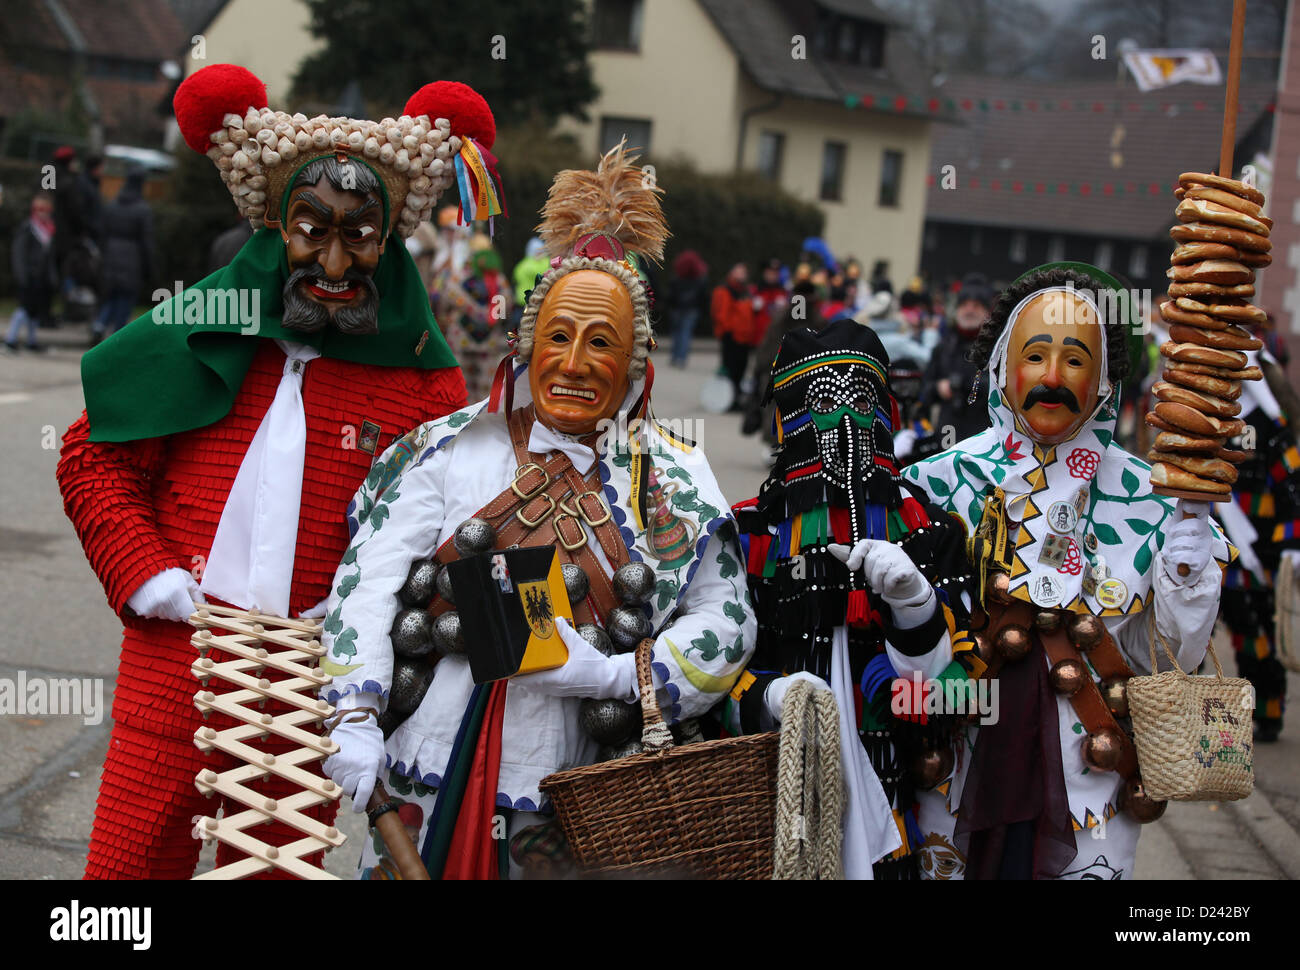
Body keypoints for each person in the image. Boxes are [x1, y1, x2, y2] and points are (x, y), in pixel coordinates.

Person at [55, 64, 497, 879]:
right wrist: (145, 572)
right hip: (173, 663)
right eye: (311, 228)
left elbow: (447, 525)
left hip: (308, 687)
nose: (334, 260)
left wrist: (375, 620)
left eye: (360, 235)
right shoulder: (201, 327)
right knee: (125, 878)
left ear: (387, 238)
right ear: (273, 226)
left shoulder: (421, 378)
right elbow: (92, 459)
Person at [319, 142, 754, 878]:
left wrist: (618, 680)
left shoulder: (675, 475)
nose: (575, 363)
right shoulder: (452, 450)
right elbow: (368, 581)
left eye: (601, 343)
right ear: (523, 343)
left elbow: (730, 621)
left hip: (585, 784)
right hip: (434, 757)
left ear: (636, 364)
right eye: (558, 336)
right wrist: (354, 715)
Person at [904, 263, 1233, 880]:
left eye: (1076, 360)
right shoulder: (933, 485)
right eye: (1035, 356)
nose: (1052, 379)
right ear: (1003, 367)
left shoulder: (1151, 501)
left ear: (1103, 381)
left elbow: (1167, 661)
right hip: (955, 776)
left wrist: (1187, 576)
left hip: (1091, 788)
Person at [730, 319, 982, 878]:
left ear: (886, 412)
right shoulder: (749, 533)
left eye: (862, 400)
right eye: (823, 401)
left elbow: (950, 703)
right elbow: (718, 677)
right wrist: (769, 697)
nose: (846, 423)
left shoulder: (931, 530)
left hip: (898, 791)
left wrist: (916, 607)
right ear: (790, 416)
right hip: (770, 794)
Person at [1215, 347, 1299, 743]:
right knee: (1192, 631)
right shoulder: (1205, 415)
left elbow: (1292, 485)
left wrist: (1291, 543)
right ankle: (1182, 713)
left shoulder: (1270, 425)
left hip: (1259, 547)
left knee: (1258, 631)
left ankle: (1267, 712)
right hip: (1210, 542)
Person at [923, 272, 993, 445]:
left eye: (976, 306)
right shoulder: (943, 347)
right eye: (964, 305)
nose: (969, 310)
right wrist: (937, 388)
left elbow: (1000, 389)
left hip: (982, 440)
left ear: (986, 311)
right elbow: (923, 391)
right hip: (946, 439)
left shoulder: (997, 349)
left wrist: (963, 383)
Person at [92, 168, 154, 345]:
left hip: (110, 257)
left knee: (110, 296)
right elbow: (147, 242)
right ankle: (117, 338)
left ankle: (99, 324)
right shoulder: (143, 210)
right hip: (131, 259)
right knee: (125, 300)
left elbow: (102, 235)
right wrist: (149, 268)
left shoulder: (112, 206)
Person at [6, 193, 58, 353]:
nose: (43, 212)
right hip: (28, 277)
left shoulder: (48, 229)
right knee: (24, 308)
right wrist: (22, 275)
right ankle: (10, 339)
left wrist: (52, 277)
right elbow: (19, 254)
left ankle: (31, 340)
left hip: (40, 279)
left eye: (46, 209)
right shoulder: (28, 228)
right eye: (39, 208)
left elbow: (50, 258)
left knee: (35, 311)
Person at [711, 261, 756, 409]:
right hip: (731, 337)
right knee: (730, 370)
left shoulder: (746, 291)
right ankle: (729, 399)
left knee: (741, 370)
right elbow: (721, 314)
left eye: (743, 271)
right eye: (738, 271)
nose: (741, 274)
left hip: (745, 338)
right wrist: (726, 332)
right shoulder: (724, 290)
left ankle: (735, 398)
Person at [666, 248, 708, 367]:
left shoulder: (676, 278)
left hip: (677, 308)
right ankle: (681, 358)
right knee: (686, 333)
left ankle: (675, 356)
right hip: (691, 309)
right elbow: (703, 296)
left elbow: (671, 295)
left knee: (676, 333)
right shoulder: (699, 279)